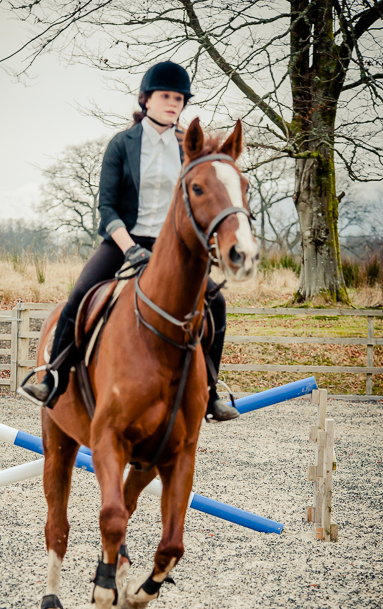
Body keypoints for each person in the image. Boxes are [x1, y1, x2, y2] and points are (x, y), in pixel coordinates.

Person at [21, 61, 239, 421]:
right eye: (165, 96)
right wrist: (130, 248)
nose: (173, 103)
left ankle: (211, 392)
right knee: (81, 293)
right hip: (124, 241)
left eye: (179, 98)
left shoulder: (189, 148)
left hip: (171, 248)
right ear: (146, 99)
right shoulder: (122, 144)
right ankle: (53, 377)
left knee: (216, 303)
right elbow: (106, 207)